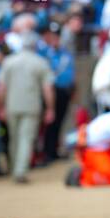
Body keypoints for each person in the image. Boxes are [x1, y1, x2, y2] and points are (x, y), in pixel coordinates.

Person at [0, 29, 55, 183]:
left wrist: (1, 107)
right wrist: (50, 108)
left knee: (15, 138)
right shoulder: (40, 62)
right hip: (31, 106)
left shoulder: (8, 61)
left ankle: (15, 168)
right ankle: (20, 170)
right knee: (26, 139)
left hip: (11, 106)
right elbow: (47, 89)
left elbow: (1, 88)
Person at [39, 21, 74, 162]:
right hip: (50, 91)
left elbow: (70, 72)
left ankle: (53, 150)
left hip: (64, 91)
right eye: (51, 35)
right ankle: (46, 152)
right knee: (49, 122)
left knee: (59, 121)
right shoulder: (43, 53)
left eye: (56, 35)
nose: (54, 38)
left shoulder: (64, 52)